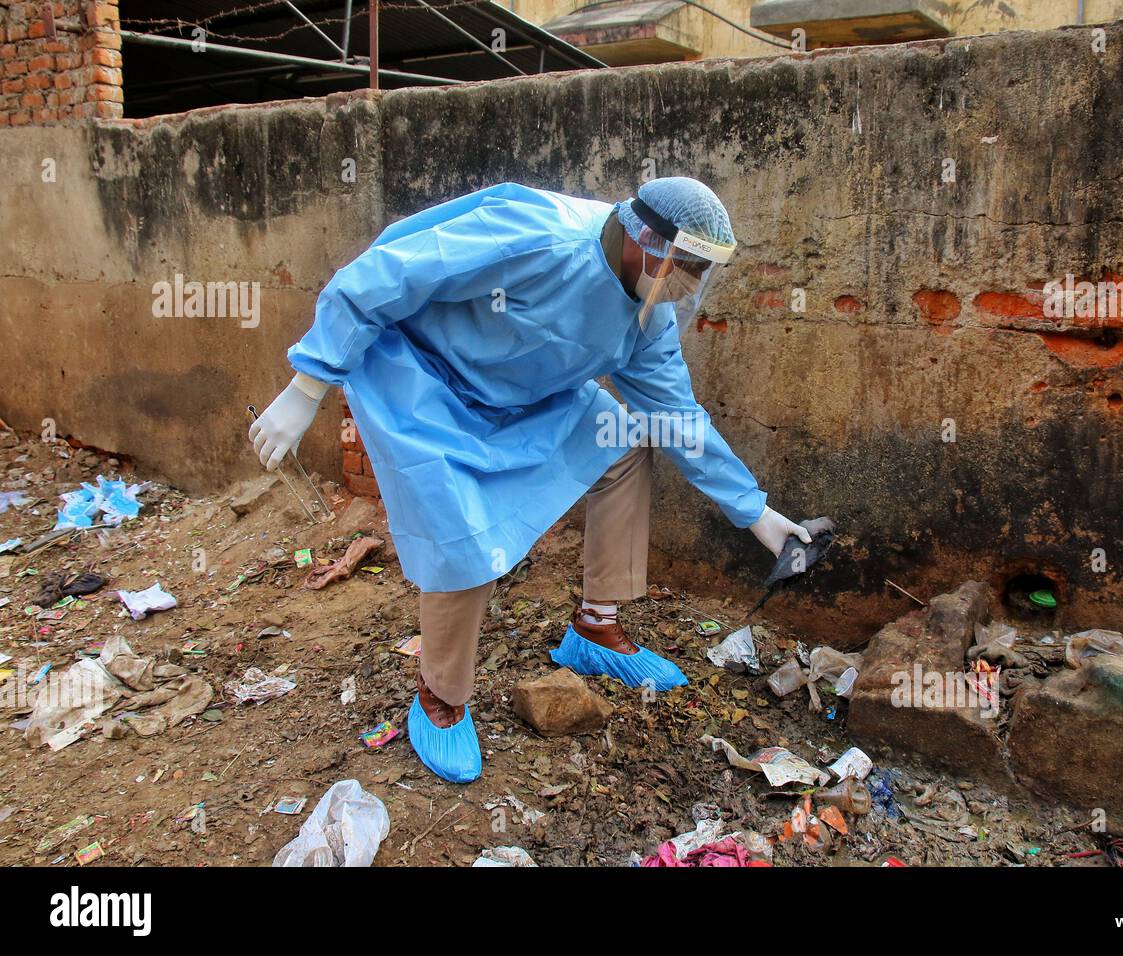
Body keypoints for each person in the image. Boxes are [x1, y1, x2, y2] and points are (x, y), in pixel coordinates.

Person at [248, 177, 810, 783]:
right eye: (686, 266)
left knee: (621, 442)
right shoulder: (535, 237)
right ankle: (440, 696)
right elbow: (384, 275)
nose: (688, 284)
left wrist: (755, 513)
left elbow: (674, 417)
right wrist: (308, 384)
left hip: (525, 402)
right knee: (459, 532)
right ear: (643, 241)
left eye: (701, 272)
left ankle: (595, 626)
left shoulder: (649, 315)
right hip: (426, 385)